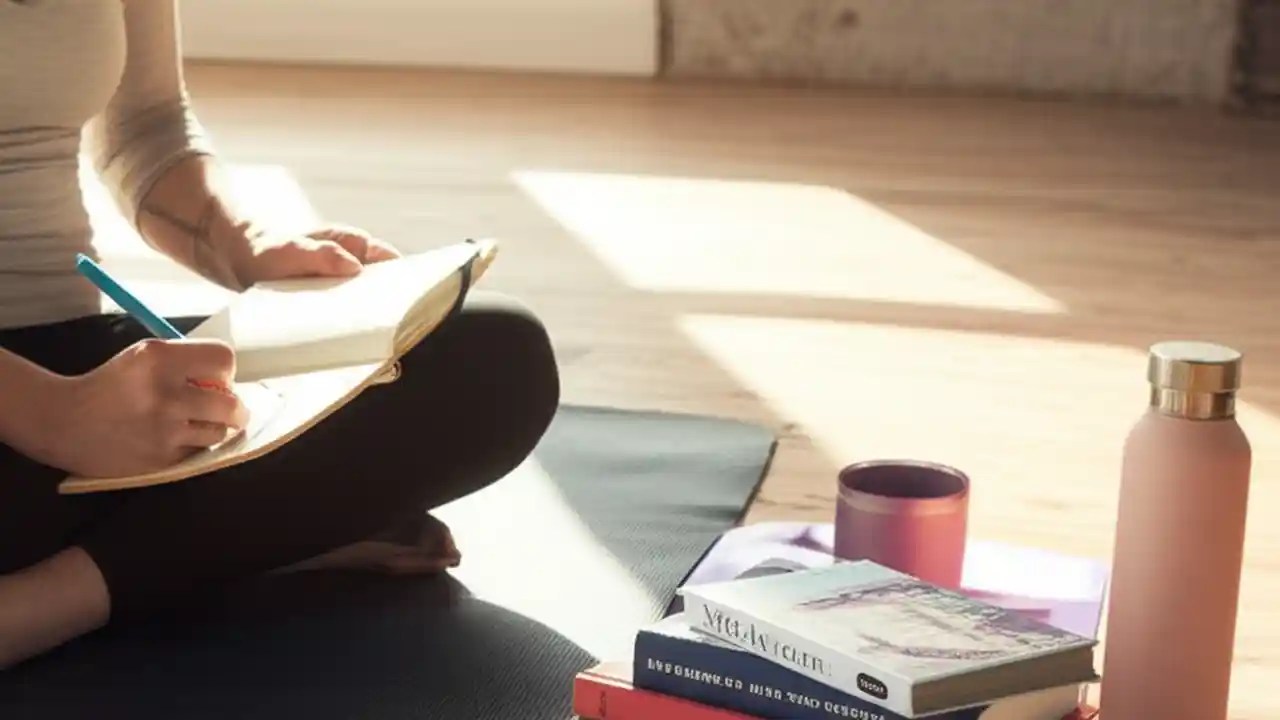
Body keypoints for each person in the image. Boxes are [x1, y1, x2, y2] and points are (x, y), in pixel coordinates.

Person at [0, 1, 560, 668]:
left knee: (492, 360)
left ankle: (138, 559)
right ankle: (52, 603)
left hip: (70, 365)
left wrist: (253, 245)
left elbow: (145, 127)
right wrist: (48, 413)